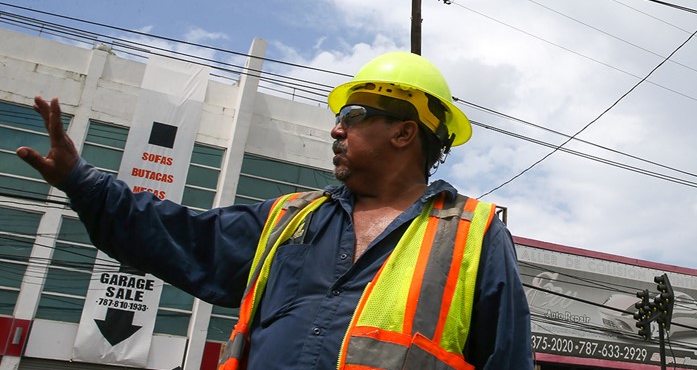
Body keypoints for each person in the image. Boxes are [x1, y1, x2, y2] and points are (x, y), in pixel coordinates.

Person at [16, 51, 533, 370]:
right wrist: (82, 183)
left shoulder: (472, 236)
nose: (336, 129)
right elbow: (182, 237)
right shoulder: (290, 219)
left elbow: (507, 361)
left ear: (404, 131)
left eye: (354, 116)